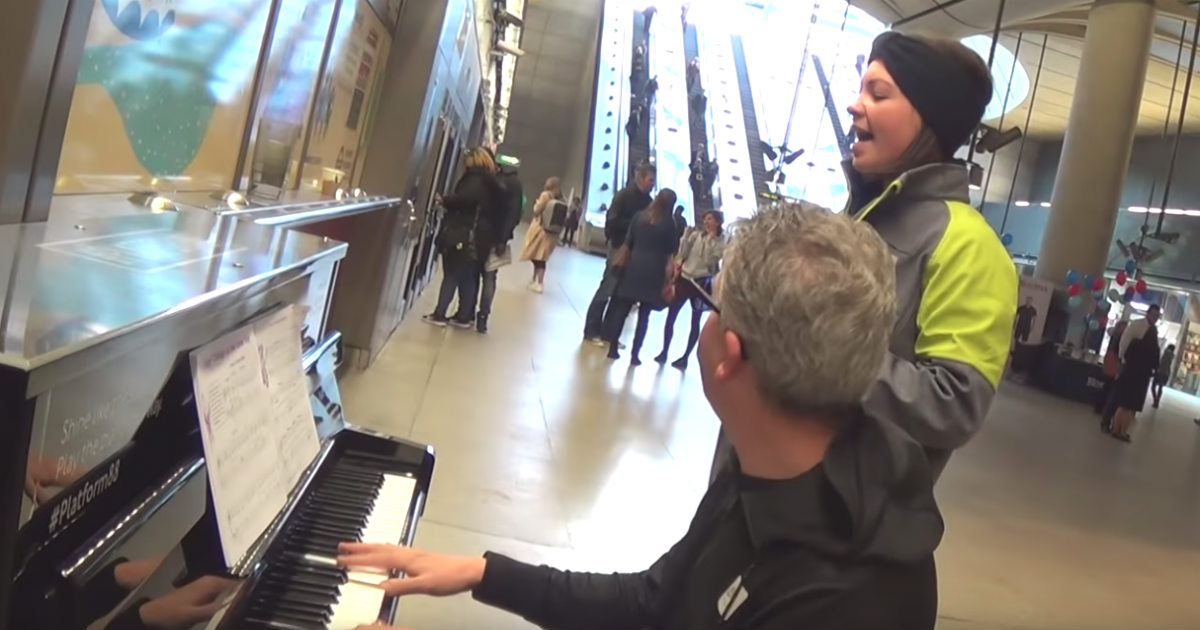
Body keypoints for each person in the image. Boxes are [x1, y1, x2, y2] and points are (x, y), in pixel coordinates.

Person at [337, 204, 943, 629]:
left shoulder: (844, 598)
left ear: (729, 355)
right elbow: (655, 600)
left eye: (713, 305)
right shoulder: (773, 474)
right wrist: (484, 572)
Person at [712, 31, 1018, 483]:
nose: (855, 105)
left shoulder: (969, 244)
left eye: (878, 93)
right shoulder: (855, 218)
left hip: (836, 525)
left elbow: (953, 404)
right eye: (859, 90)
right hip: (754, 488)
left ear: (929, 116)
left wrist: (797, 343)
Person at [423, 148, 504, 328]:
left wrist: (445, 200)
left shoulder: (474, 180)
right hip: (478, 237)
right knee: (466, 276)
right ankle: (464, 317)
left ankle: (440, 314)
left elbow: (465, 200)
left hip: (462, 233)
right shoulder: (491, 182)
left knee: (451, 274)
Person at [604, 189, 681, 364]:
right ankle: (634, 355)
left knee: (622, 310)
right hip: (654, 270)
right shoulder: (670, 224)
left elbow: (628, 242)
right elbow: (670, 253)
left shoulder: (639, 217)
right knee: (644, 316)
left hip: (633, 266)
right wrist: (669, 277)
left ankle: (612, 348)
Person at [584, 162, 656, 344]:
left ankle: (609, 333)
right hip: (618, 248)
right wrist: (634, 223)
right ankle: (591, 330)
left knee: (619, 293)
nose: (652, 184)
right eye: (650, 180)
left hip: (634, 252)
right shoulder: (623, 196)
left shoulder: (649, 203)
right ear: (639, 177)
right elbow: (612, 222)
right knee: (608, 287)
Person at [656, 209, 725, 369]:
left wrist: (710, 242)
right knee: (671, 315)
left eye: (710, 219)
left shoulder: (720, 242)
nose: (707, 222)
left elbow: (710, 262)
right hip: (684, 278)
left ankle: (685, 357)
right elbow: (683, 253)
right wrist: (685, 237)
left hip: (700, 282)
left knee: (695, 320)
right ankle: (664, 351)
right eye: (705, 219)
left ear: (717, 222)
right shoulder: (696, 236)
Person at [1109, 304, 1161, 442]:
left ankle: (1120, 430)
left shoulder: (1152, 330)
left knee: (1128, 404)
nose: (1155, 318)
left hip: (1139, 372)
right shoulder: (1137, 326)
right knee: (1126, 402)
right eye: (1154, 314)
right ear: (1148, 313)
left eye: (1157, 316)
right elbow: (1124, 342)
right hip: (1133, 369)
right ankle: (1117, 429)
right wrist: (1122, 360)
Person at [519, 177, 563, 294]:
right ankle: (535, 280)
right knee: (540, 256)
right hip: (552, 233)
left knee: (537, 257)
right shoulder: (561, 198)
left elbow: (537, 210)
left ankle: (539, 282)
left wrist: (536, 204)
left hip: (541, 230)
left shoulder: (545, 195)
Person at [1097, 320, 1128, 420]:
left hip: (1110, 359)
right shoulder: (1119, 338)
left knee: (1107, 385)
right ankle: (1102, 407)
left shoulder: (1114, 335)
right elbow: (1119, 351)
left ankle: (1100, 407)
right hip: (1113, 361)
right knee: (1110, 386)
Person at [1152, 343, 1175, 408]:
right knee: (1160, 387)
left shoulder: (1166, 352)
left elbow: (1160, 361)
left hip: (1160, 372)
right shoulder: (1172, 355)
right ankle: (1157, 400)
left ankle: (1155, 399)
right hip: (1166, 373)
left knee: (1153, 386)